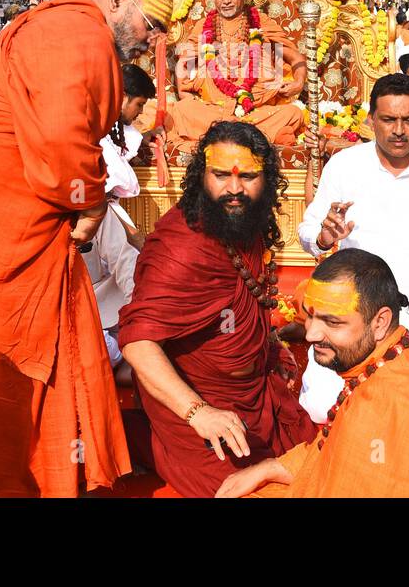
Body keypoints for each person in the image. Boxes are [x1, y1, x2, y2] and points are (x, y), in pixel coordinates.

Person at [0, 0, 170, 496]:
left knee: (40, 341)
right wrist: (89, 204)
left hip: (6, 206)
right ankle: (15, 479)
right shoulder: (77, 32)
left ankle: (39, 474)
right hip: (2, 210)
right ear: (121, 0)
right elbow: (62, 142)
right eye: (153, 24)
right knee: (20, 347)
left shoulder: (66, 28)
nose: (152, 41)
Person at [118, 123, 315, 496]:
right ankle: (141, 436)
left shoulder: (244, 220)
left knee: (313, 466)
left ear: (268, 178)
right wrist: (198, 413)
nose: (235, 189)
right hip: (200, 404)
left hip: (255, 391)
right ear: (201, 175)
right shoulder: (184, 247)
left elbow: (245, 300)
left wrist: (270, 345)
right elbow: (138, 341)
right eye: (221, 175)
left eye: (249, 176)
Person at [216, 249, 409, 498]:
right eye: (311, 316)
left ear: (380, 322)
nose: (311, 334)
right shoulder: (402, 352)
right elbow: (333, 451)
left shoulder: (393, 400)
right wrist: (271, 467)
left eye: (332, 322)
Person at [298, 72, 409, 415]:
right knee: (332, 413)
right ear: (370, 121)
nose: (399, 130)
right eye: (389, 119)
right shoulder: (344, 166)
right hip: (354, 319)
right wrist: (324, 237)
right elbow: (309, 233)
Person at [165, 0, 307, 150]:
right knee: (182, 110)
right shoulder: (204, 26)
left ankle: (222, 134)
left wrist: (298, 83)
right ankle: (253, 135)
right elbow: (184, 63)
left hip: (255, 107)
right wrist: (186, 94)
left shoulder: (260, 22)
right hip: (214, 107)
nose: (226, 0)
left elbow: (295, 57)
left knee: (293, 113)